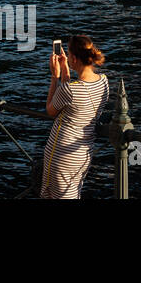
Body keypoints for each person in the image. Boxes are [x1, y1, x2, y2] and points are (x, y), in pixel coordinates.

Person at [40, 35, 109, 199]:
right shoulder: (103, 83)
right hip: (83, 152)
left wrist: (54, 77)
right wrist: (64, 68)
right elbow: (70, 93)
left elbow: (51, 110)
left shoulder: (70, 90)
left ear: (75, 59)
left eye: (69, 56)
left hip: (61, 153)